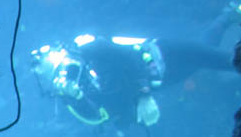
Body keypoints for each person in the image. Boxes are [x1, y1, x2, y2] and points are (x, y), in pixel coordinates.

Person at [29, 34, 166, 127]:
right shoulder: (68, 92)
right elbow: (96, 116)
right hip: (159, 92)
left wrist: (144, 94)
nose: (65, 72)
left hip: (161, 55)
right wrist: (78, 98)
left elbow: (132, 54)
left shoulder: (87, 47)